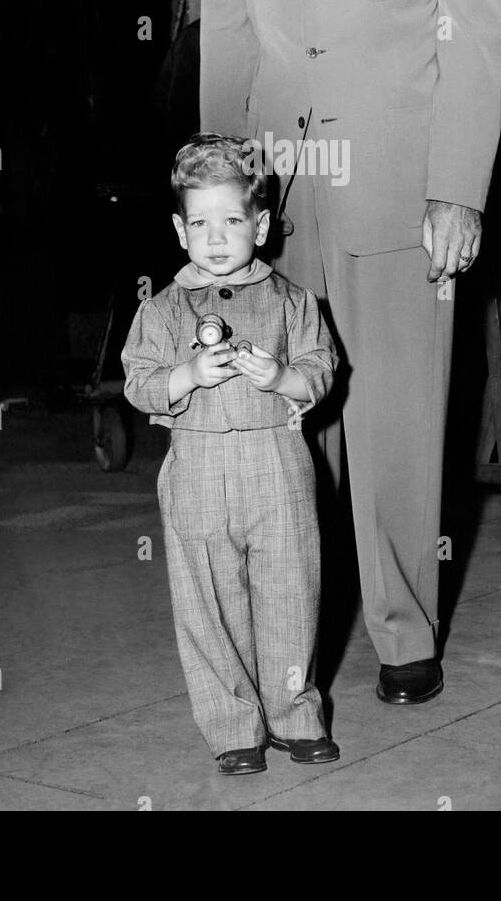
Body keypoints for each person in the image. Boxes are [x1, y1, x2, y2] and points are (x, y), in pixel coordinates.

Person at [200, 0, 501, 703]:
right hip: (277, 196)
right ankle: (297, 630)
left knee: (392, 421)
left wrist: (458, 188)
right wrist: (216, 192)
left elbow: (475, 31)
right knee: (281, 414)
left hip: (398, 181)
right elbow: (232, 33)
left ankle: (402, 631)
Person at [121, 133, 339, 775]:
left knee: (291, 593)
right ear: (179, 230)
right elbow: (138, 380)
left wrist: (279, 379)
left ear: (263, 224)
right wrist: (186, 375)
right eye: (200, 222)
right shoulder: (158, 310)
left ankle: (296, 715)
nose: (216, 237)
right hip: (195, 469)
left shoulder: (294, 302)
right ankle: (232, 727)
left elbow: (321, 370)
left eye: (233, 220)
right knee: (206, 603)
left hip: (278, 465)